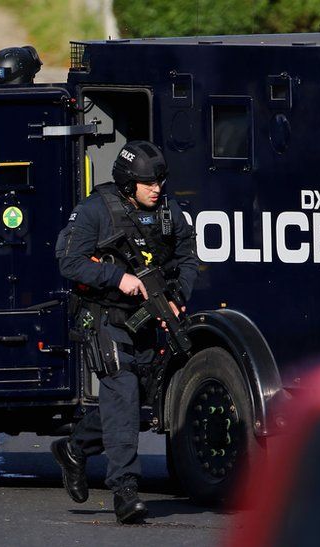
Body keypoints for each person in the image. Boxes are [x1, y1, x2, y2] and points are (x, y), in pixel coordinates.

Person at [52, 140, 198, 524]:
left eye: (160, 182)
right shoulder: (95, 211)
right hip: (105, 316)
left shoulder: (167, 210)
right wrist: (118, 278)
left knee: (137, 400)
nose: (157, 189)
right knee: (122, 392)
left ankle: (75, 449)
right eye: (149, 183)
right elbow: (69, 262)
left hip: (147, 317)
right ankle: (125, 490)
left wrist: (177, 296)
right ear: (128, 182)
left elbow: (187, 253)